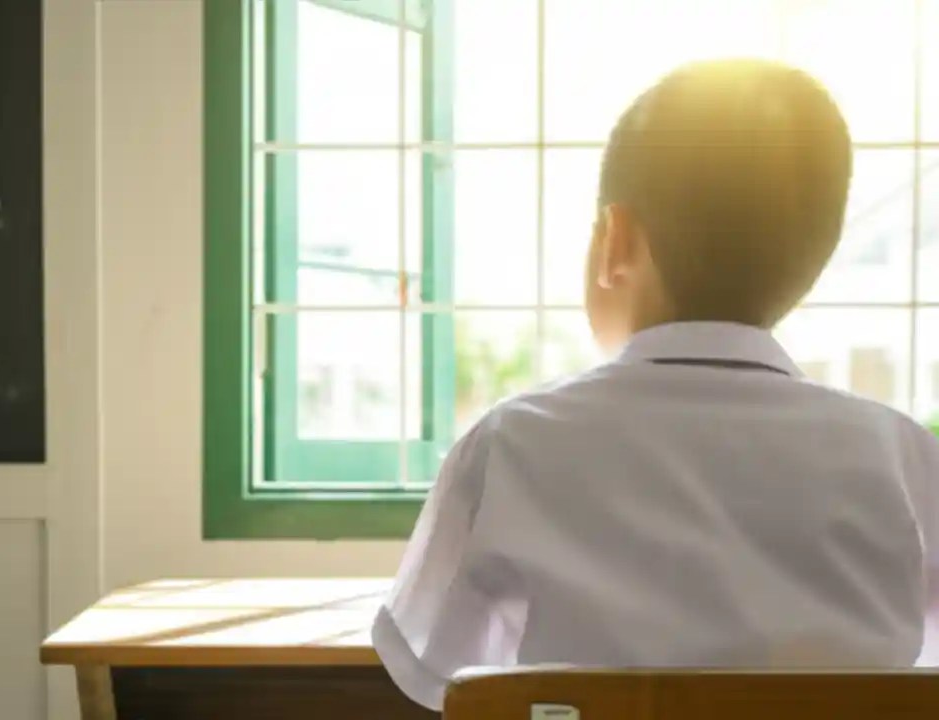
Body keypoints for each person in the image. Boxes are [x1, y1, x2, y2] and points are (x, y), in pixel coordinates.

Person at [371, 58, 939, 711]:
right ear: (812, 264)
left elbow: (431, 666)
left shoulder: (511, 443)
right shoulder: (905, 458)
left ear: (614, 242)